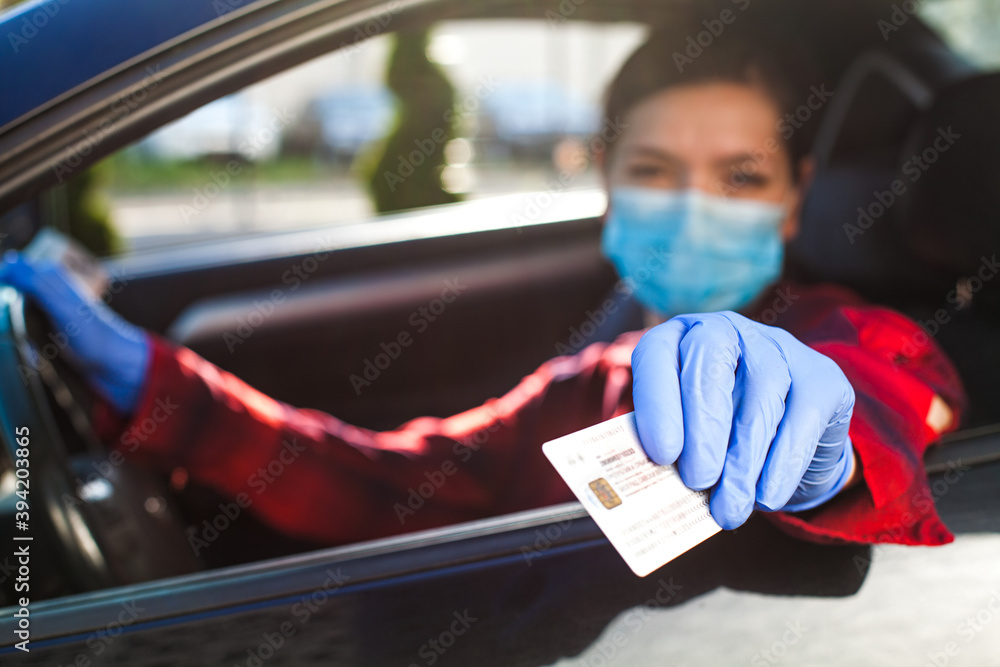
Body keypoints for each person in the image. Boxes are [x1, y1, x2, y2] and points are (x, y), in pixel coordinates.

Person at [0, 28, 965, 551]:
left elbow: (888, 387)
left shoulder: (844, 332)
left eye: (741, 177)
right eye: (654, 170)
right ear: (606, 183)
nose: (692, 205)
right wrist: (158, 385)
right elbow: (389, 486)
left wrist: (829, 451)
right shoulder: (587, 377)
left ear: (794, 201)